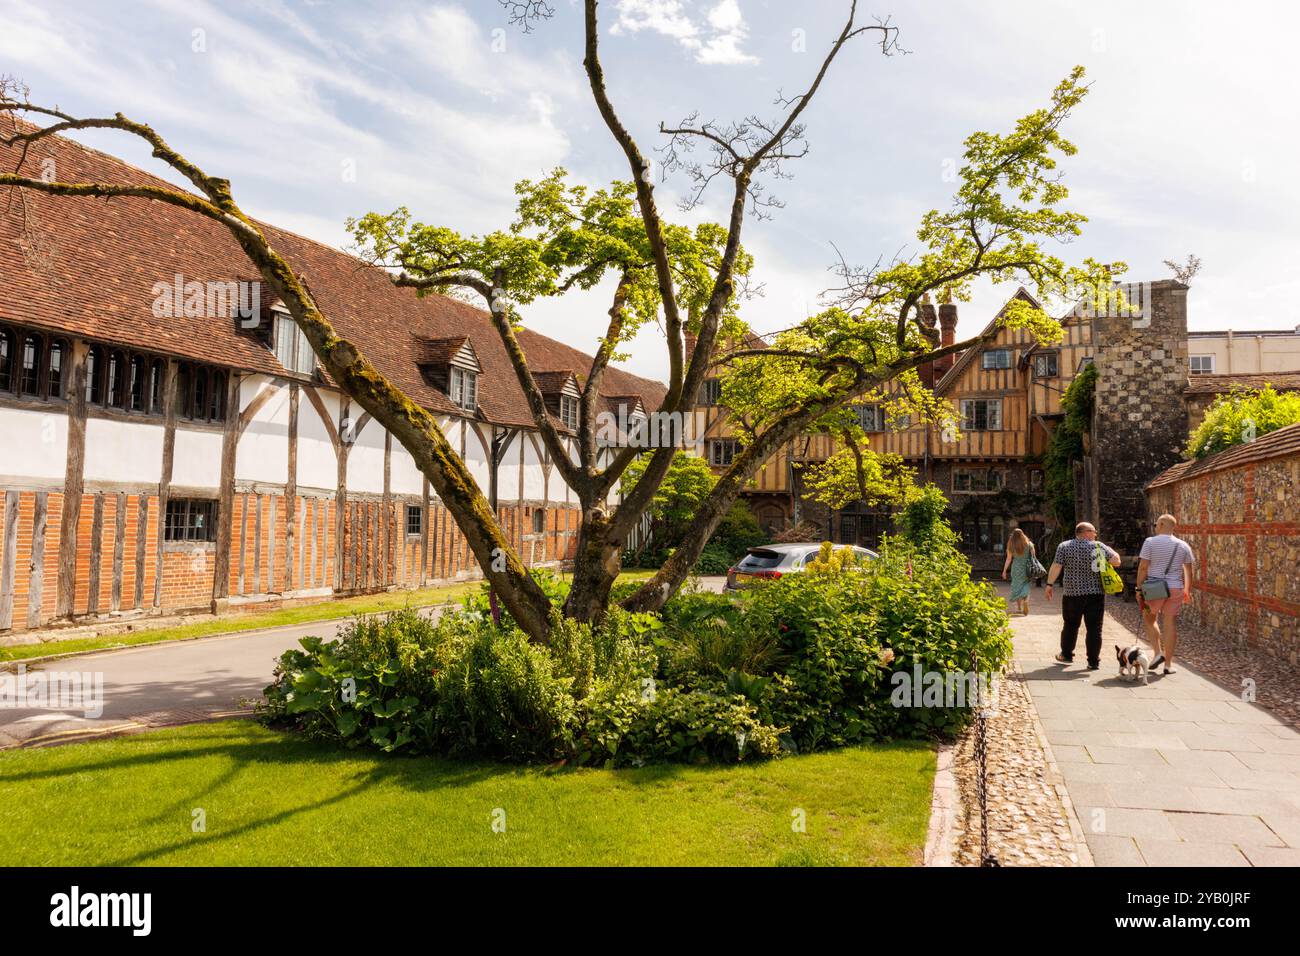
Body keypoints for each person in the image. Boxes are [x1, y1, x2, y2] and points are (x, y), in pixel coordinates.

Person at [1044, 521, 1121, 670]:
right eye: (1093, 531)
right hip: (1095, 594)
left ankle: (1066, 654)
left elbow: (1057, 565)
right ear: (1086, 532)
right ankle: (1093, 661)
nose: (1095, 534)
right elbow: (1116, 561)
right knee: (1094, 628)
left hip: (1072, 593)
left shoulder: (1064, 546)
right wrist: (1107, 550)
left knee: (1070, 624)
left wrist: (1049, 584)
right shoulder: (1098, 546)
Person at [1135, 514, 1196, 675]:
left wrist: (1139, 588)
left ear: (1161, 524)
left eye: (1156, 524)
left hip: (1154, 589)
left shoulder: (1150, 542)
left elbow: (1143, 567)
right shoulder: (1183, 545)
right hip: (1176, 588)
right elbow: (1188, 571)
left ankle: (1158, 653)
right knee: (1170, 624)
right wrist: (1187, 590)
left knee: (1149, 618)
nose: (1155, 527)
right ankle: (1168, 665)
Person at [1002, 527, 1037, 617]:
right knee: (1026, 585)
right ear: (1022, 535)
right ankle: (1026, 601)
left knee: (1017, 587)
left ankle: (1019, 608)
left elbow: (1008, 559)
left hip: (1016, 568)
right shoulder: (1029, 544)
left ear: (1013, 536)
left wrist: (1004, 570)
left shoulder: (1011, 545)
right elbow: (1033, 557)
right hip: (1026, 568)